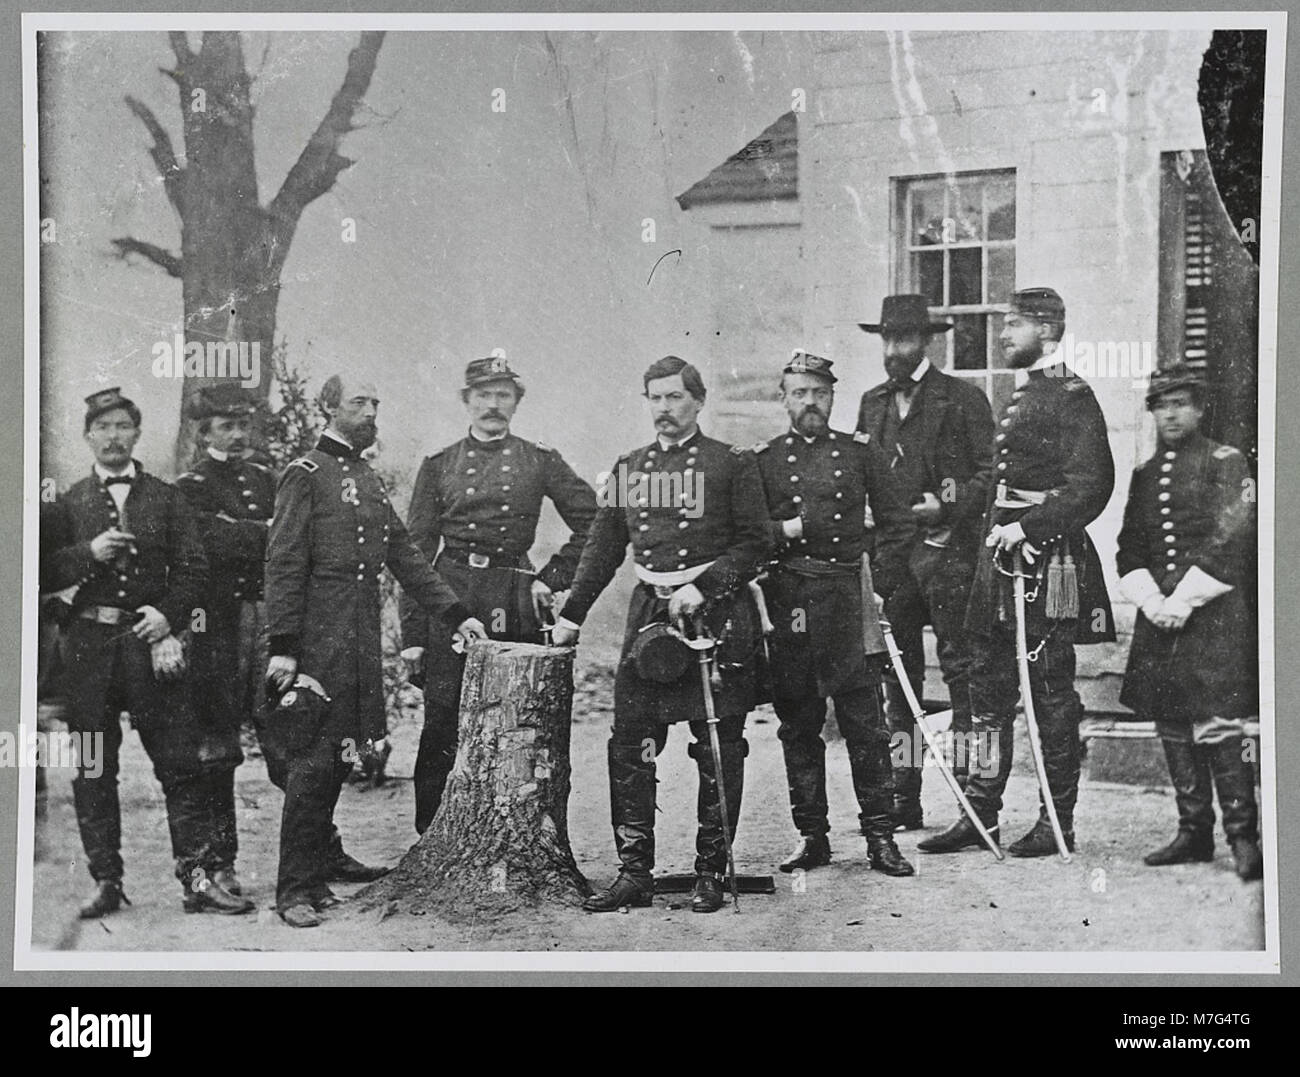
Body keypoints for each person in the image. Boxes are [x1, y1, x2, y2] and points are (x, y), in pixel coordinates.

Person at [264, 375, 487, 928]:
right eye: (359, 402)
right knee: (314, 762)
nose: (370, 411)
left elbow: (406, 556)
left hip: (359, 636)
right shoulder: (305, 475)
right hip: (317, 639)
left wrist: (457, 615)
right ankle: (293, 890)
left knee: (340, 758)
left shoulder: (365, 476)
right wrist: (286, 647)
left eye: (375, 402)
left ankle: (316, 879)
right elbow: (285, 562)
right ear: (328, 408)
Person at [551, 356, 772, 913]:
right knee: (631, 742)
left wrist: (707, 584)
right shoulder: (630, 468)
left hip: (714, 617)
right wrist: (571, 616)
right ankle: (634, 874)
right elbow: (603, 549)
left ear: (698, 401)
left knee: (717, 745)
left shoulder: (731, 464)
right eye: (655, 398)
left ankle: (711, 873)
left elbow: (755, 544)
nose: (665, 409)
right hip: (650, 615)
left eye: (675, 397)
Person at [920, 287, 1116, 857]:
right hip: (1000, 567)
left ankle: (1057, 822)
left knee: (1051, 695)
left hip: (1044, 566)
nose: (1003, 335)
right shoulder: (1025, 394)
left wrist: (1028, 528)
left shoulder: (1073, 396)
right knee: (987, 691)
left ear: (1048, 329)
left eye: (1013, 325)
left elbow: (1092, 486)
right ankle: (980, 815)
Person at [43, 387, 252, 918]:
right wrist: (87, 553)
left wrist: (168, 616)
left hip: (149, 646)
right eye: (102, 428)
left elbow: (193, 567)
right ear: (88, 436)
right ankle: (106, 881)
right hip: (88, 653)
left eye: (122, 427)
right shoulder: (68, 503)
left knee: (180, 765)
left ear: (136, 433)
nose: (113, 437)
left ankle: (199, 882)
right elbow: (41, 572)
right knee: (93, 768)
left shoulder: (166, 497)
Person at [398, 351, 596, 833]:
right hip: (451, 596)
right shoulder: (439, 464)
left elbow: (594, 522)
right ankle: (432, 834)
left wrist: (551, 579)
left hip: (514, 595)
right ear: (467, 401)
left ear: (516, 402)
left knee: (518, 718)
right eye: (483, 395)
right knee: (443, 716)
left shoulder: (539, 459)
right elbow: (414, 555)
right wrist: (414, 636)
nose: (493, 404)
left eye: (502, 395)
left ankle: (516, 832)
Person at [756, 349, 915, 876]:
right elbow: (753, 534)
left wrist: (882, 587)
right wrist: (785, 535)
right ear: (783, 400)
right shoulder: (765, 460)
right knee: (798, 725)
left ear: (832, 397)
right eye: (799, 393)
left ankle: (880, 837)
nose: (810, 403)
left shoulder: (860, 453)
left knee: (865, 724)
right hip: (789, 603)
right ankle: (812, 836)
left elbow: (897, 523)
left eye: (819, 393)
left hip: (848, 599)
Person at [1116, 363, 1261, 880]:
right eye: (1161, 404)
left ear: (1200, 408)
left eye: (1181, 403)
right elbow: (1129, 547)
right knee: (1172, 723)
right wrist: (1153, 601)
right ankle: (1193, 832)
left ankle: (1244, 837)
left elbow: (1235, 536)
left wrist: (1184, 599)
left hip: (1213, 615)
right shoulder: (1144, 475)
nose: (1170, 413)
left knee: (1219, 724)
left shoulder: (1227, 462)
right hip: (1160, 617)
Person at [857, 295, 996, 829]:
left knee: (963, 676)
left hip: (951, 559)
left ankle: (968, 797)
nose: (894, 349)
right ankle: (903, 796)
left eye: (905, 339)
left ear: (927, 341)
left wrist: (949, 503)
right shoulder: (872, 402)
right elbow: (861, 473)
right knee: (899, 681)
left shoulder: (961, 398)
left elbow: (989, 472)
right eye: (888, 339)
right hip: (892, 562)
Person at [174, 383, 275, 898]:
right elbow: (208, 542)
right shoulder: (190, 487)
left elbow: (285, 540)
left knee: (290, 732)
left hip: (268, 620)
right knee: (217, 745)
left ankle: (319, 851)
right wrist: (260, 531)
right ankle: (220, 862)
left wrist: (243, 529)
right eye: (225, 426)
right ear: (204, 431)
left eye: (243, 425)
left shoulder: (266, 479)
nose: (237, 435)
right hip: (216, 627)